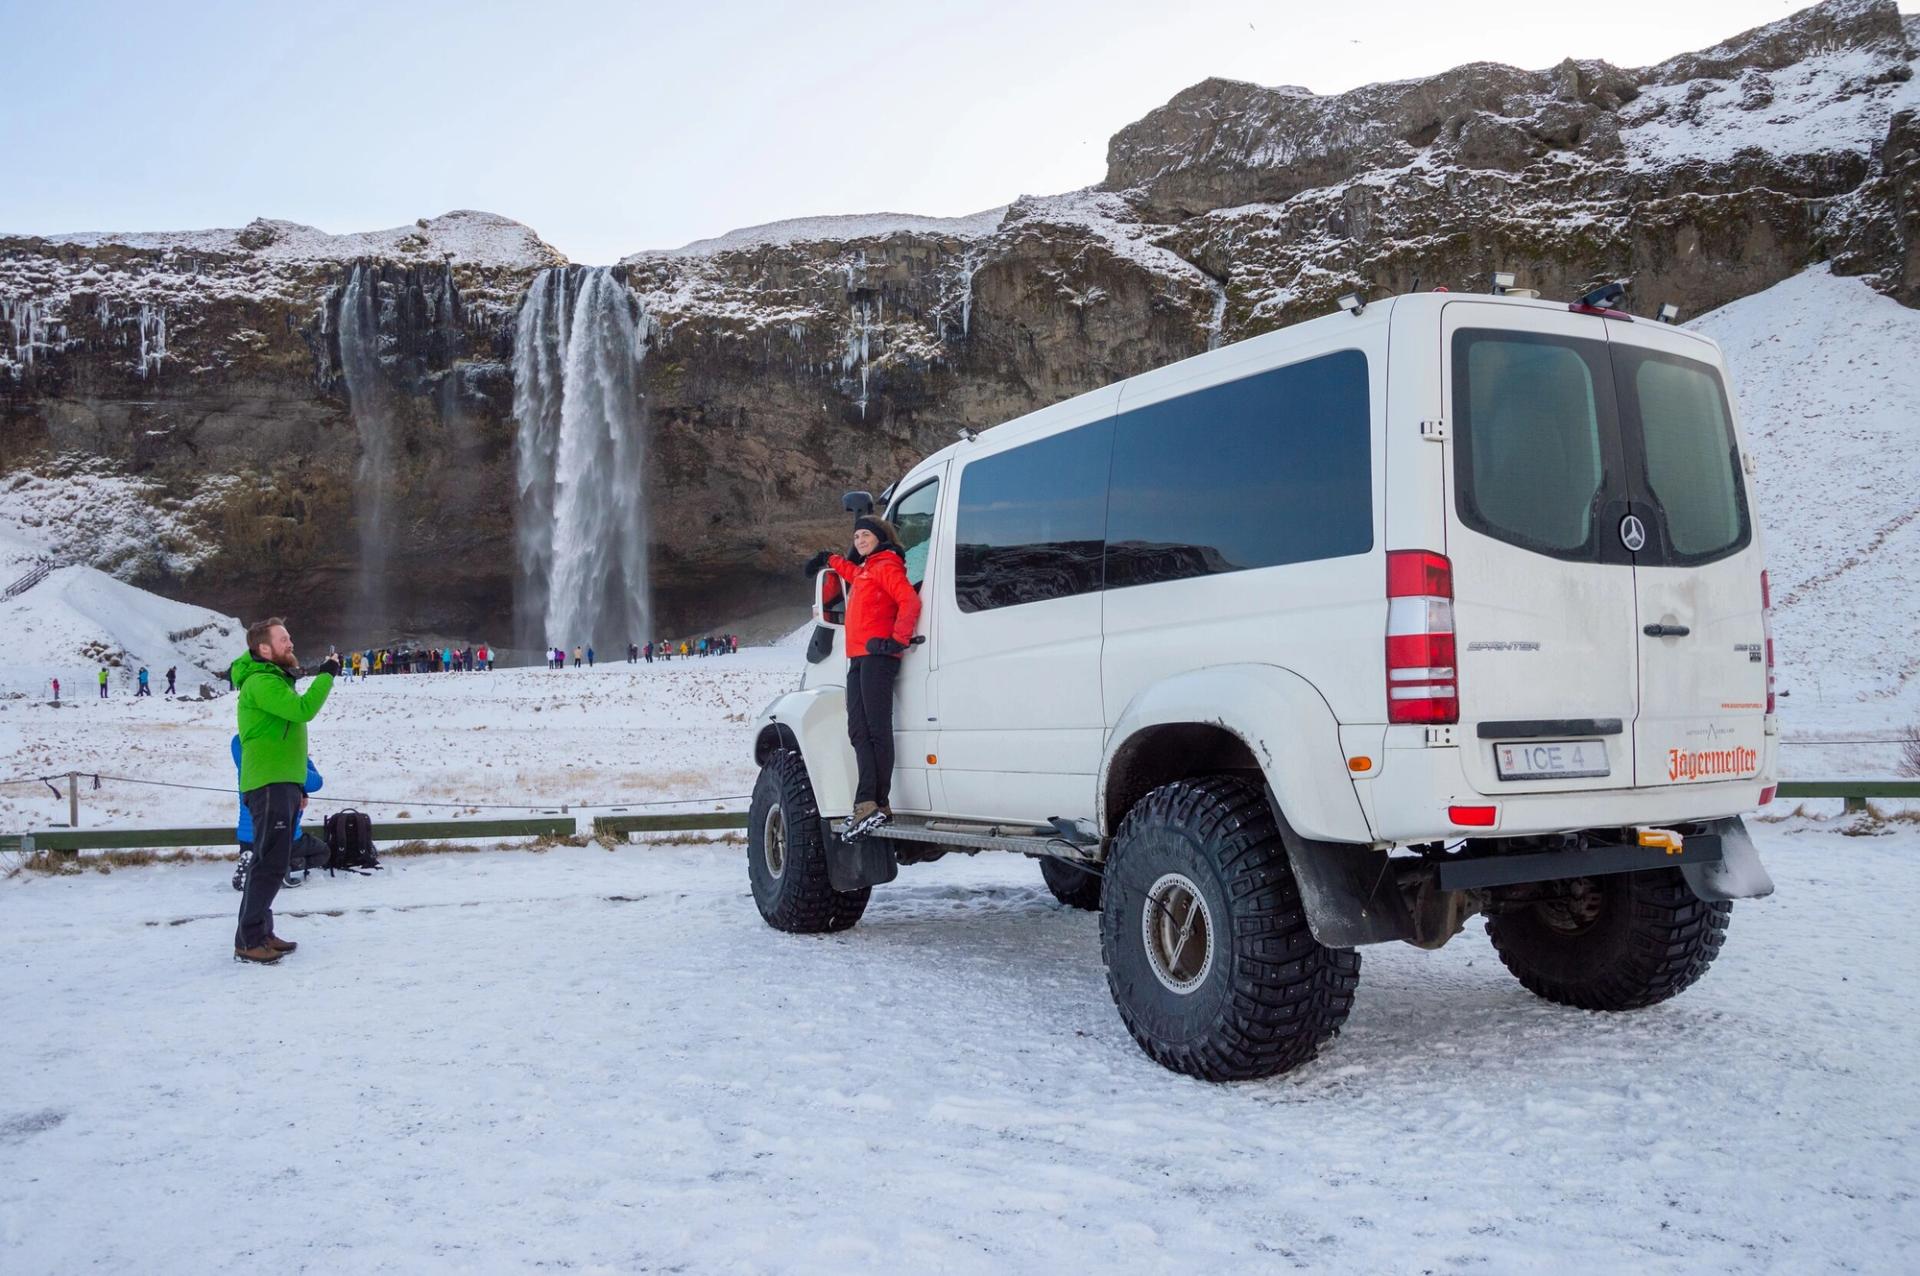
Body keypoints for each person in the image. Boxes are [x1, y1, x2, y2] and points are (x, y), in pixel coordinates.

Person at [229, 617, 339, 964]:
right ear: (264, 649)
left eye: (290, 636)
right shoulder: (261, 681)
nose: (291, 643)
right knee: (269, 865)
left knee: (270, 862)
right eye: (283, 639)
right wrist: (327, 675)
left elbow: (285, 734)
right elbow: (302, 710)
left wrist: (297, 785)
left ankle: (261, 931)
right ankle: (249, 940)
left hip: (281, 783)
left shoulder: (273, 679)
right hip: (270, 785)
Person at [806, 514, 921, 839]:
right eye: (856, 536)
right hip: (857, 657)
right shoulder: (867, 569)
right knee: (858, 729)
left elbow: (909, 602)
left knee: (875, 729)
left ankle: (872, 802)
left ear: (879, 536)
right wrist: (826, 559)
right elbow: (850, 571)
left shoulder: (887, 566)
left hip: (877, 656)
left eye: (865, 535)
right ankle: (871, 803)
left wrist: (897, 640)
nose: (859, 540)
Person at [231, 736, 322, 892]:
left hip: (247, 837)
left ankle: (253, 860)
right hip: (284, 834)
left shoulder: (239, 742)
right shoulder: (283, 748)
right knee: (322, 852)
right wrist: (302, 756)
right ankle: (280, 866)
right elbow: (316, 782)